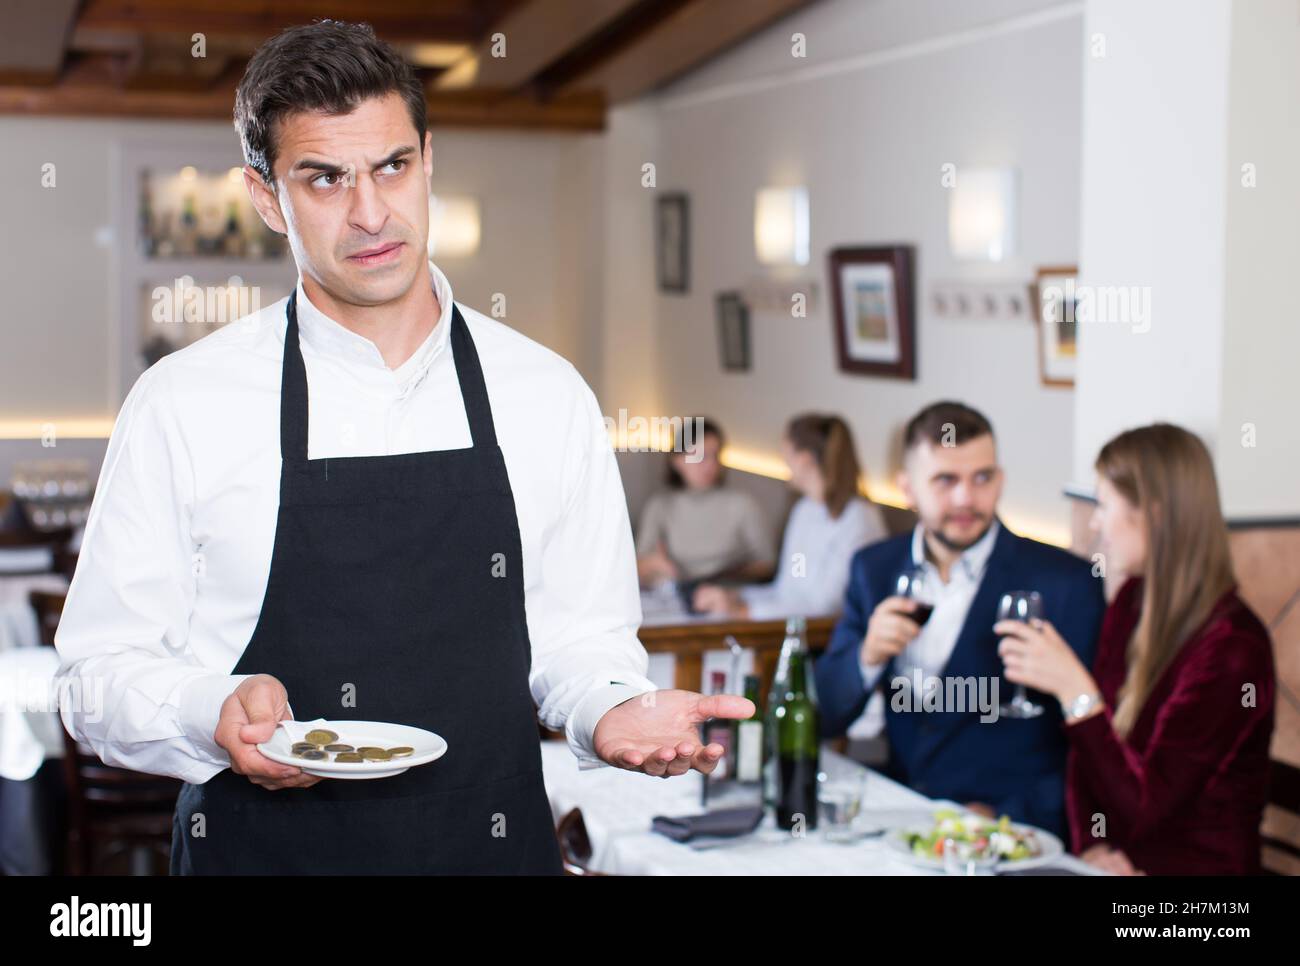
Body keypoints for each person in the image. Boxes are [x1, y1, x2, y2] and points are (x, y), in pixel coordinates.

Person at [53, 21, 752, 876]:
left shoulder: (547, 394)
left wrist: (609, 712)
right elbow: (95, 679)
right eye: (324, 178)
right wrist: (211, 709)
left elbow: (580, 643)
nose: (371, 213)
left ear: (428, 160)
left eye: (391, 166)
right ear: (267, 197)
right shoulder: (183, 404)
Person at [814, 401, 1105, 837]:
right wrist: (867, 655)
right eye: (946, 480)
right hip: (902, 819)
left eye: (982, 478)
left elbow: (1090, 748)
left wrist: (1007, 819)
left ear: (1000, 481)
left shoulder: (1067, 582)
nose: (966, 498)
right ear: (907, 488)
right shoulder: (873, 569)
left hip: (1012, 833)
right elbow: (827, 712)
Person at [996, 424, 1275, 875]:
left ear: (1156, 514)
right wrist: (1093, 849)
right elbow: (1087, 767)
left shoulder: (1234, 649)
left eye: (1104, 506)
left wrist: (1077, 695)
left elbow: (1148, 804)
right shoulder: (1131, 602)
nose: (1094, 524)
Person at [692, 413, 887, 619]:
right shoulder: (805, 511)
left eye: (786, 455)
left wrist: (743, 611)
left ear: (804, 460)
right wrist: (735, 597)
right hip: (790, 626)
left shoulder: (858, 521)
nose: (783, 463)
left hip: (823, 638)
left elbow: (825, 608)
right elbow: (789, 589)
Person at [635, 418, 776, 587]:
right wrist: (656, 565)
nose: (711, 465)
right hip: (677, 595)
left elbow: (767, 564)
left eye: (715, 456)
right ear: (677, 460)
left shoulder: (742, 505)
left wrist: (730, 577)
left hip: (730, 594)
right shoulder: (660, 506)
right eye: (701, 456)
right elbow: (638, 565)